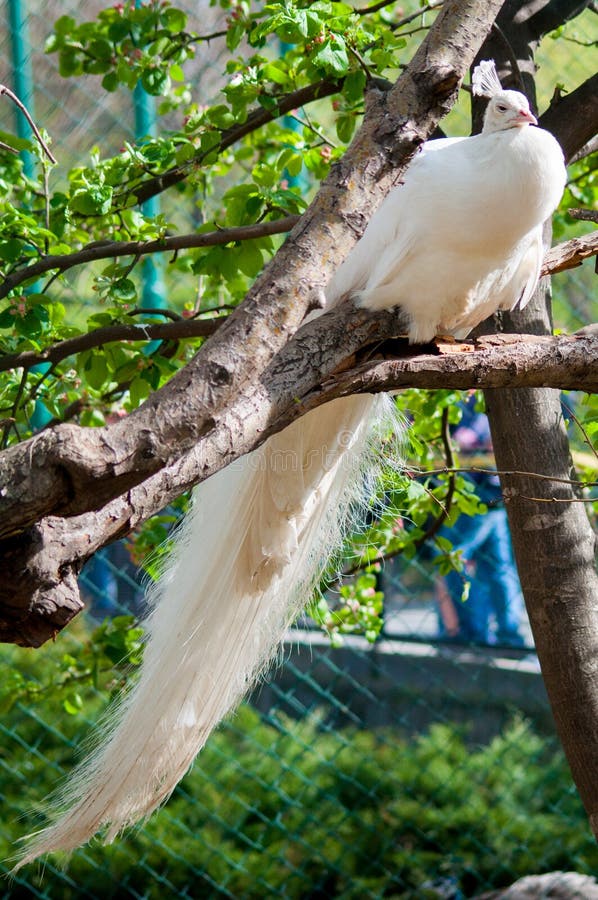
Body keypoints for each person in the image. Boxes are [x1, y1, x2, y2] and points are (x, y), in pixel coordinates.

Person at [437, 396, 525, 647]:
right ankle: (504, 633)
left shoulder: (484, 402)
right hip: (478, 493)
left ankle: (475, 630)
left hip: (485, 494)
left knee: (458, 557)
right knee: (497, 567)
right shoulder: (463, 402)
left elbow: (467, 441)